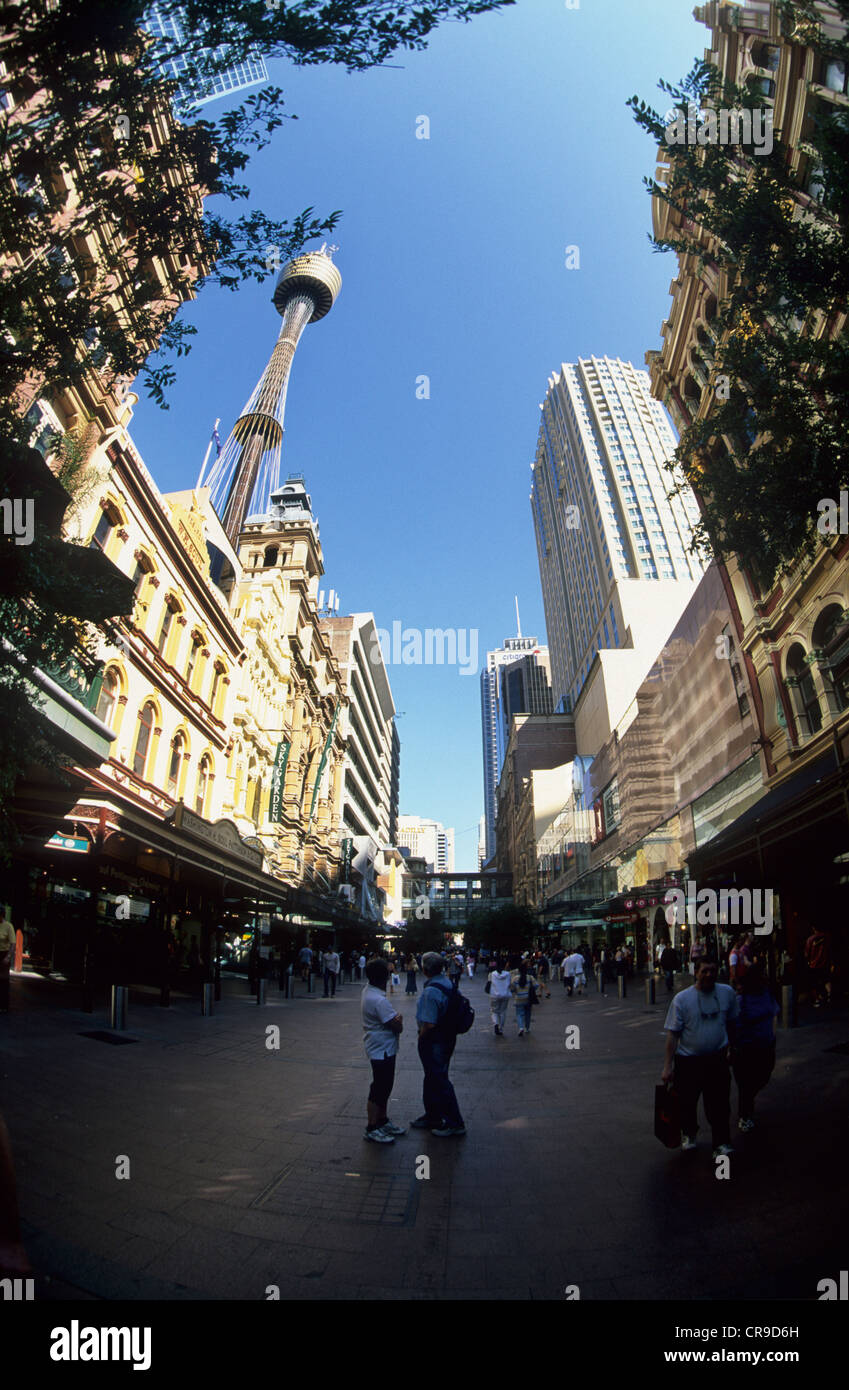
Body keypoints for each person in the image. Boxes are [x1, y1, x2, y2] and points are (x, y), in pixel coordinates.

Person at [662, 958, 739, 1156]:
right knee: (687, 1102)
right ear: (695, 972)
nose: (709, 975)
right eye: (704, 971)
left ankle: (721, 1142)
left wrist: (732, 1047)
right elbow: (673, 1034)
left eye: (712, 971)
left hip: (717, 1059)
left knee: (720, 1103)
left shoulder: (727, 993)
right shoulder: (681, 999)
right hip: (688, 1061)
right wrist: (667, 1066)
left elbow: (732, 1023)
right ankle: (689, 1133)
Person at [412, 953, 466, 1136]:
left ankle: (454, 1122)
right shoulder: (447, 983)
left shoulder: (431, 991)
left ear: (425, 969)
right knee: (433, 1077)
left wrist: (421, 1036)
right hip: (447, 1036)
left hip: (435, 1039)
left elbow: (429, 1023)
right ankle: (432, 1115)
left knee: (439, 1079)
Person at [728, 962, 779, 1132]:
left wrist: (773, 1035)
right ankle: (745, 1115)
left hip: (765, 1045)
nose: (765, 977)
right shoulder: (741, 1000)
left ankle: (748, 1101)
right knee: (745, 1084)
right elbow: (732, 1024)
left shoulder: (767, 995)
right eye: (762, 975)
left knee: (763, 1076)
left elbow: (773, 1013)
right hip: (745, 1049)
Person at [361, 957, 406, 1143]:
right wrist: (399, 1020)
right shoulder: (378, 1000)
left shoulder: (368, 991)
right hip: (382, 1048)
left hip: (381, 1046)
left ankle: (382, 1120)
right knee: (380, 1086)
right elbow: (397, 1026)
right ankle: (372, 1127)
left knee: (385, 1085)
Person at [804, 924, 833, 1007]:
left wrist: (808, 962)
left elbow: (806, 954)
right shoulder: (827, 937)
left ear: (813, 928)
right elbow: (830, 950)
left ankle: (817, 1000)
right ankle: (829, 997)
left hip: (814, 965)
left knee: (814, 983)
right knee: (827, 980)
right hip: (825, 963)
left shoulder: (810, 939)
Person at [510, 958, 538, 1037]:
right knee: (528, 1014)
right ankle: (527, 1028)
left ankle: (521, 1027)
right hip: (528, 998)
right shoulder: (530, 977)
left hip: (518, 999)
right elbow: (536, 985)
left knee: (519, 1014)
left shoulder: (515, 978)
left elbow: (512, 988)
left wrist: (515, 991)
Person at [488, 957, 511, 1036]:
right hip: (505, 995)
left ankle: (496, 1023)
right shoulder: (508, 974)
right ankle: (501, 1028)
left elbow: (489, 983)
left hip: (494, 995)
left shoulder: (492, 974)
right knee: (503, 1012)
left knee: (494, 1011)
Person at [0, 910, 16, 1013]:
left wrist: (8, 956)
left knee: (3, 980)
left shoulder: (8, 926)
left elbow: (13, 943)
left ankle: (3, 1005)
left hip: (3, 954)